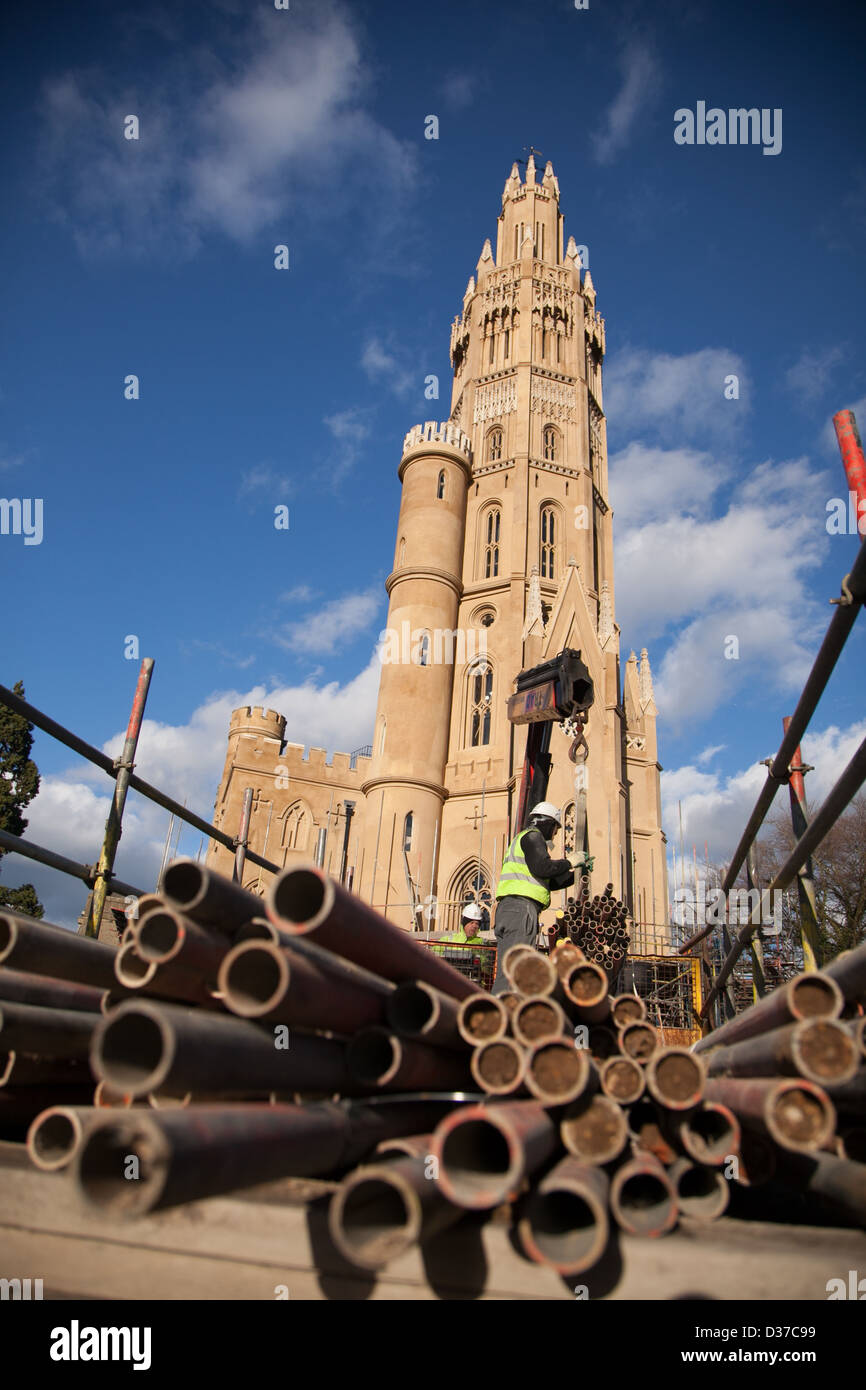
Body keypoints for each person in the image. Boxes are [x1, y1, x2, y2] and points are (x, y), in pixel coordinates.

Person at [491, 801, 593, 993]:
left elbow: (548, 880)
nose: (554, 834)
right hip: (521, 909)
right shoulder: (533, 837)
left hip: (510, 910)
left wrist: (576, 874)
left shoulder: (522, 841)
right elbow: (544, 868)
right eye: (555, 828)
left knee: (508, 972)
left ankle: (499, 1013)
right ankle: (505, 1015)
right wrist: (571, 860)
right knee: (518, 970)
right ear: (547, 823)